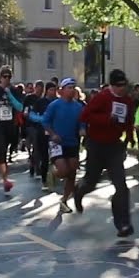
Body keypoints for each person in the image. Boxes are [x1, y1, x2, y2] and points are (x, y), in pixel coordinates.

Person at [75, 69, 137, 238]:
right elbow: (85, 116)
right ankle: (79, 191)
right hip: (96, 145)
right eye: (118, 86)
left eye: (124, 85)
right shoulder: (102, 97)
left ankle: (123, 224)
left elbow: (129, 120)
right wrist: (106, 119)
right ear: (111, 85)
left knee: (121, 187)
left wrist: (130, 137)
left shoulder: (127, 101)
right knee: (91, 182)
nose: (121, 88)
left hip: (114, 147)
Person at [41, 78, 83, 211]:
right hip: (56, 143)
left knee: (72, 172)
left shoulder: (78, 106)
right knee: (64, 171)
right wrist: (53, 134)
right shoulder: (54, 105)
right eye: (69, 88)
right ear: (62, 90)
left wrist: (83, 129)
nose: (72, 90)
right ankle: (54, 172)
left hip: (72, 142)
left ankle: (64, 200)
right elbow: (45, 121)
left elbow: (82, 122)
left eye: (73, 87)